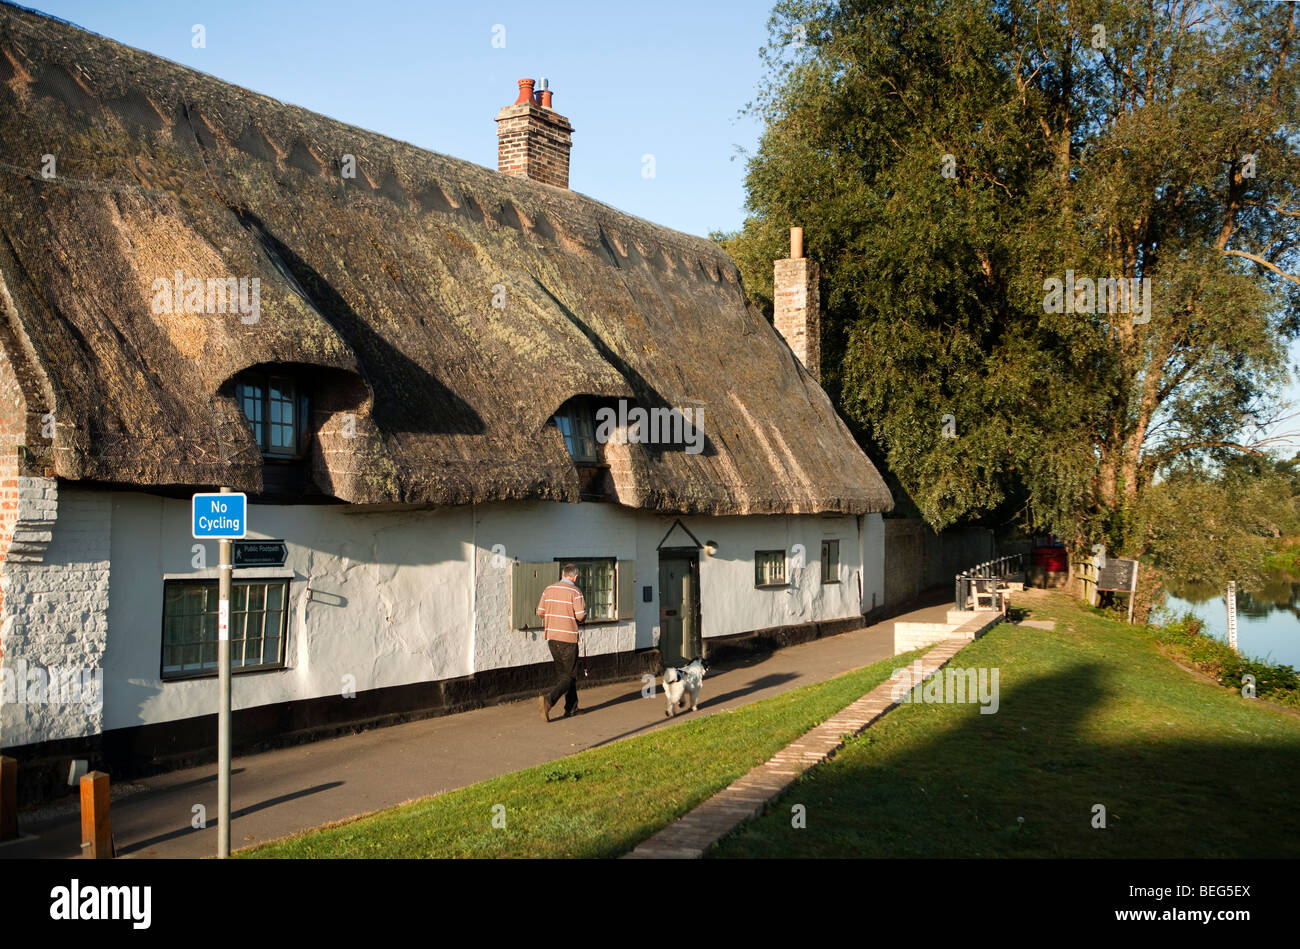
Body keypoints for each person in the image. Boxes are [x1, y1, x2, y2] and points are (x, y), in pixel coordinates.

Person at [537, 563, 586, 721]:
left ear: (563, 574)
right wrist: (584, 613)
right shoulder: (575, 591)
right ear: (575, 576)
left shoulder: (548, 589)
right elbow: (580, 616)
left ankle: (571, 708)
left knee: (563, 676)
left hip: (552, 638)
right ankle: (549, 700)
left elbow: (540, 612)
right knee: (570, 676)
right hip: (568, 639)